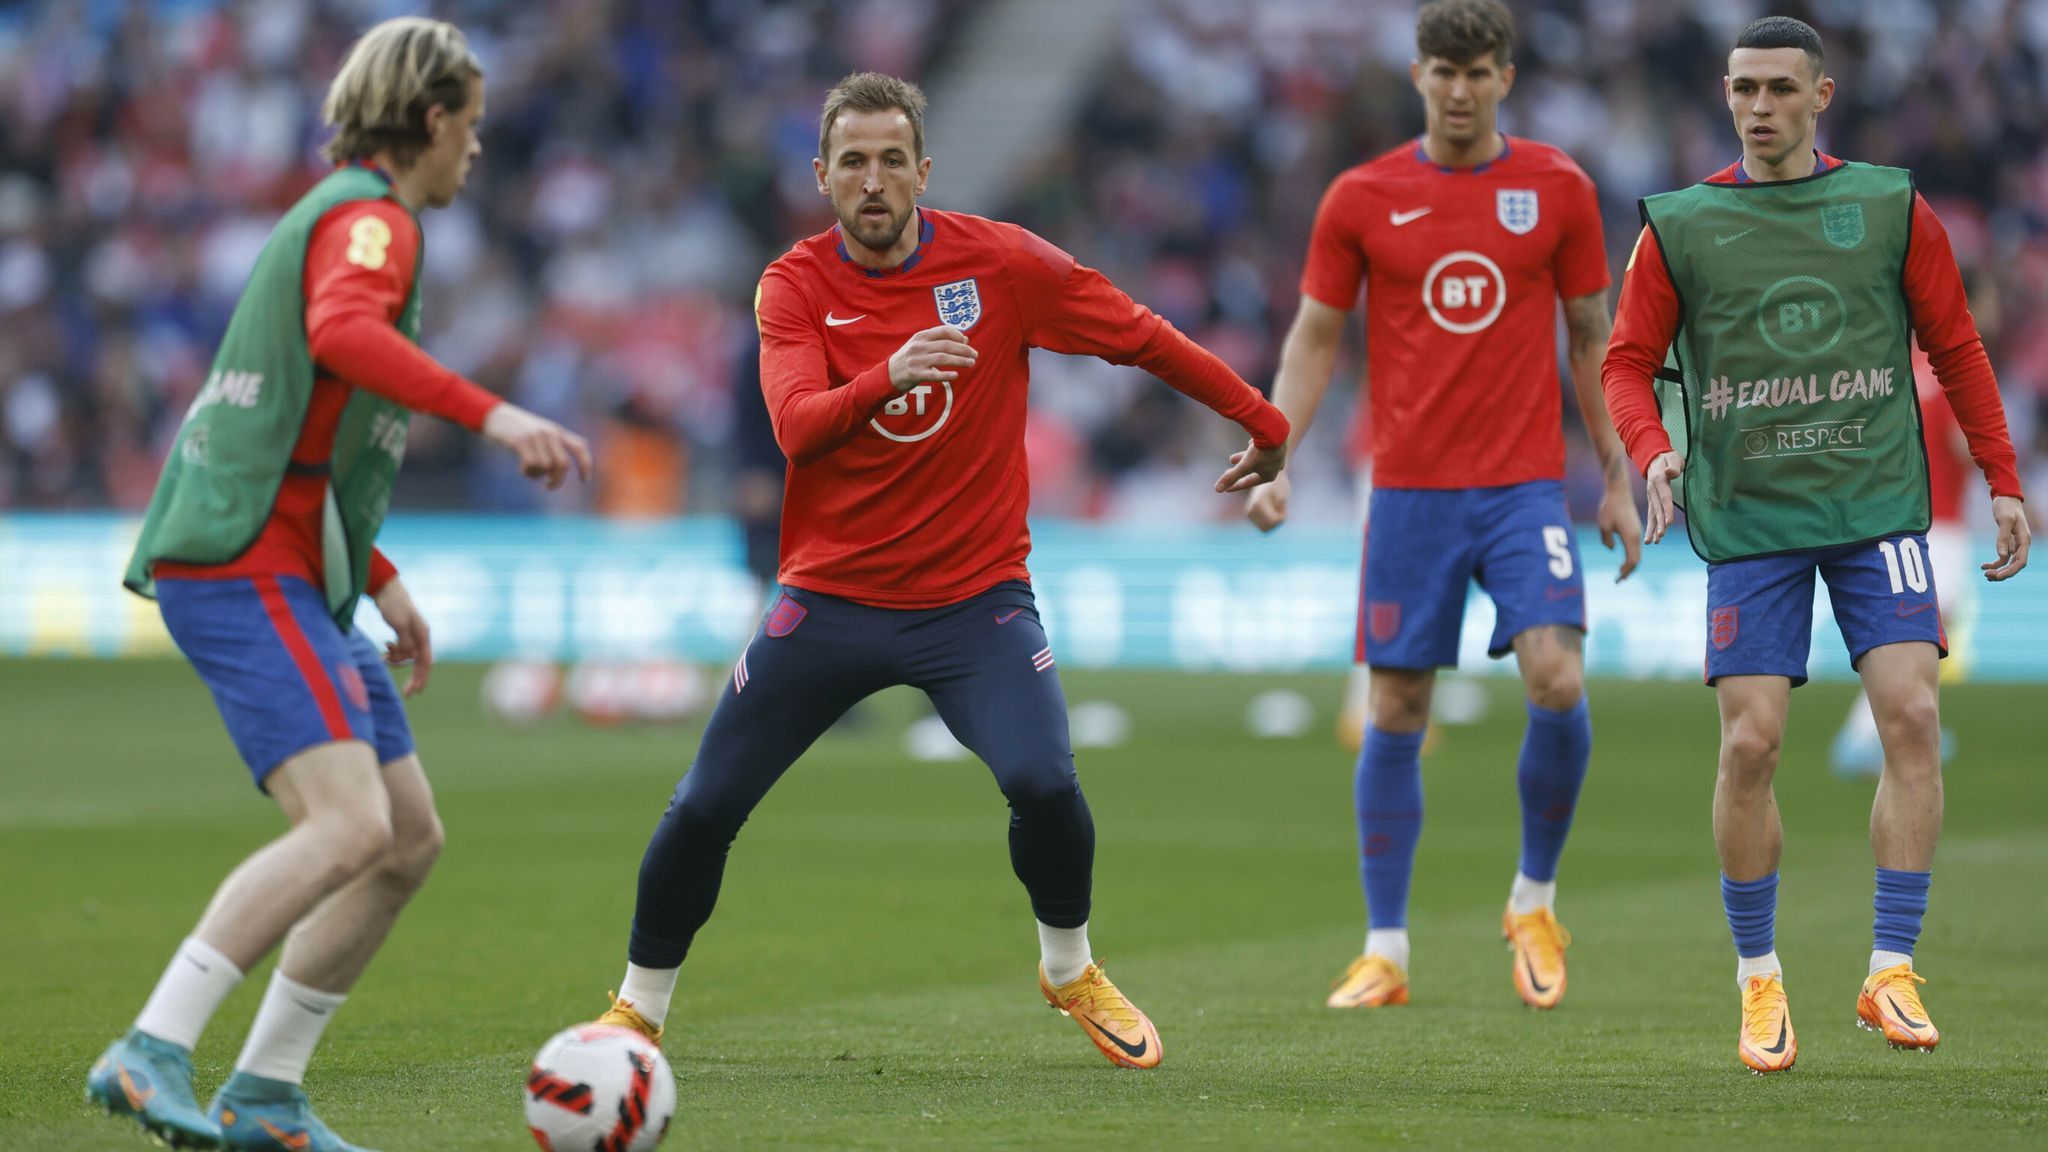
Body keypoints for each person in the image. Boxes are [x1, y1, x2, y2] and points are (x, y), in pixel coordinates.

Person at [592, 72, 1288, 1070]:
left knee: (1045, 781)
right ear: (820, 176)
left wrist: (1263, 424)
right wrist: (888, 375)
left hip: (974, 604)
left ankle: (1068, 967)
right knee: (705, 802)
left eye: (889, 161)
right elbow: (794, 426)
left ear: (922, 169)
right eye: (850, 163)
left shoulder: (1000, 262)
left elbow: (1136, 334)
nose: (871, 181)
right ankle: (636, 1009)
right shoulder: (790, 284)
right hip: (828, 600)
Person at [89, 18, 591, 1150]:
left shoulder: (339, 218)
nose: (476, 150)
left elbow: (299, 422)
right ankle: (150, 1048)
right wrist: (495, 414)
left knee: (406, 837)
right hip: (243, 563)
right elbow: (345, 336)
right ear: (430, 119)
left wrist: (377, 576)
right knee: (345, 824)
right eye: (469, 126)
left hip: (293, 559)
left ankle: (264, 1094)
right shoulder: (372, 222)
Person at [1602, 16, 2029, 1074]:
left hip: (1875, 506)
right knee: (1749, 745)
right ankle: (1757, 979)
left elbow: (1957, 346)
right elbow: (1624, 361)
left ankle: (1888, 969)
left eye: (1779, 89)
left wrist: (2002, 480)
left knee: (1912, 716)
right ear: (1724, 91)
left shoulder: (1887, 207)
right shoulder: (1679, 224)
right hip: (1748, 516)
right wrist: (1652, 448)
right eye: (1742, 88)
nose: (1757, 107)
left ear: (1819, 97)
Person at [1246, 0, 1640, 1013]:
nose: (1457, 90)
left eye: (1476, 72)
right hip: (1410, 493)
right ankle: (1384, 950)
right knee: (1394, 709)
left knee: (1556, 676)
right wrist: (1273, 452)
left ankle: (1533, 899)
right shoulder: (1361, 196)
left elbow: (1591, 338)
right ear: (1416, 76)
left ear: (1505, 78)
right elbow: (1313, 340)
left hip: (1519, 489)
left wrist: (1615, 466)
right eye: (1440, 71)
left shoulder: (1556, 189)